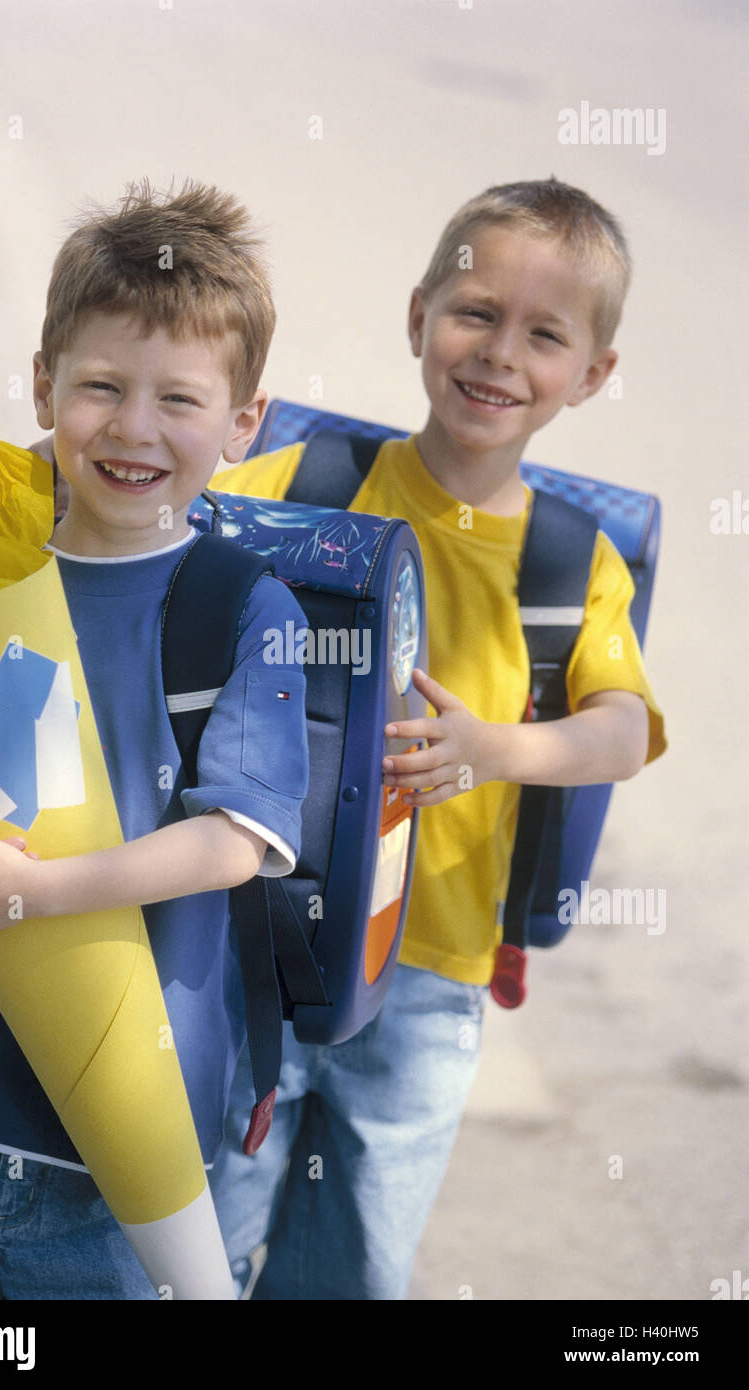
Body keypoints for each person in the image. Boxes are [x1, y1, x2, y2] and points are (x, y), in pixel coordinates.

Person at [207, 178, 667, 1300]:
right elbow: (178, 535)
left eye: (544, 335)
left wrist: (498, 750)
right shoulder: (313, 484)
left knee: (354, 1266)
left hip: (427, 977)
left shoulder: (571, 565)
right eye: (475, 313)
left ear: (591, 373)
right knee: (198, 1240)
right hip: (258, 937)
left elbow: (619, 732)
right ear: (419, 316)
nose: (499, 353)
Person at [0, 179, 309, 1299]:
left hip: (122, 1140)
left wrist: (29, 894)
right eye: (102, 387)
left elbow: (236, 841)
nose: (132, 427)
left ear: (245, 422)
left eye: (179, 399)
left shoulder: (240, 608)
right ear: (44, 384)